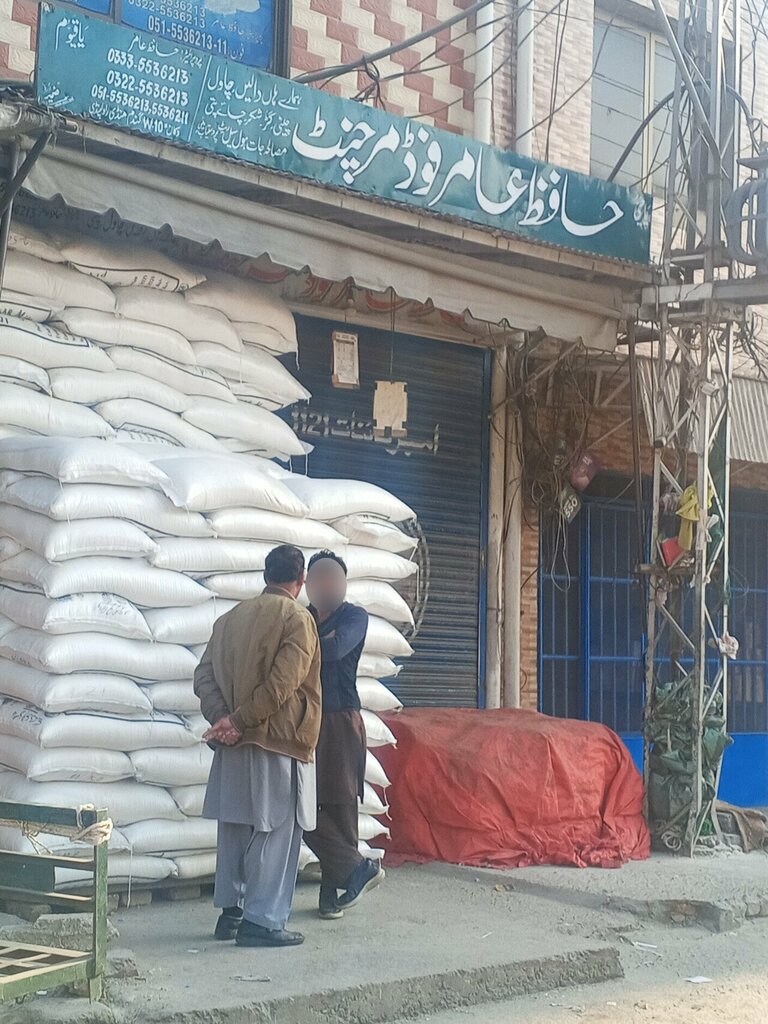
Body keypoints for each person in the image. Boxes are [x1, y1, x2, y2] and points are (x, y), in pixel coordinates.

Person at [193, 544, 321, 948]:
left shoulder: (229, 619)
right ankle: (262, 922)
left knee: (235, 825)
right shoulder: (298, 618)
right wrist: (240, 722)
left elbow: (203, 678)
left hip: (233, 742)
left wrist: (224, 721)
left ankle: (231, 913)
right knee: (275, 828)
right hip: (277, 741)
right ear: (300, 581)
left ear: (267, 575)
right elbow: (284, 684)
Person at [303, 550, 385, 920]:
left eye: (333, 579)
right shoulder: (302, 616)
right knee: (303, 805)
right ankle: (356, 869)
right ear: (306, 584)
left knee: (340, 805)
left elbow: (335, 651)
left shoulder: (354, 616)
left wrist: (300, 647)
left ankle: (331, 893)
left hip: (339, 721)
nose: (326, 585)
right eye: (319, 578)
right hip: (304, 720)